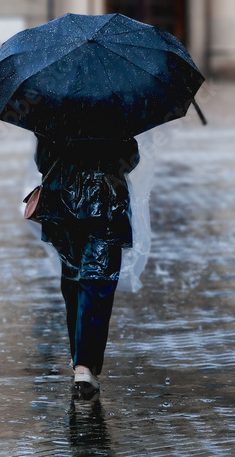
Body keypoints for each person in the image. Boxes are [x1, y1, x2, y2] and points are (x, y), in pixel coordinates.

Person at [34, 134, 139, 398]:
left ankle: (80, 360)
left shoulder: (51, 107)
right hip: (104, 202)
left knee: (73, 279)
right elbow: (129, 159)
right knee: (97, 281)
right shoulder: (113, 108)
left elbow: (42, 161)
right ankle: (84, 363)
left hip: (62, 203)